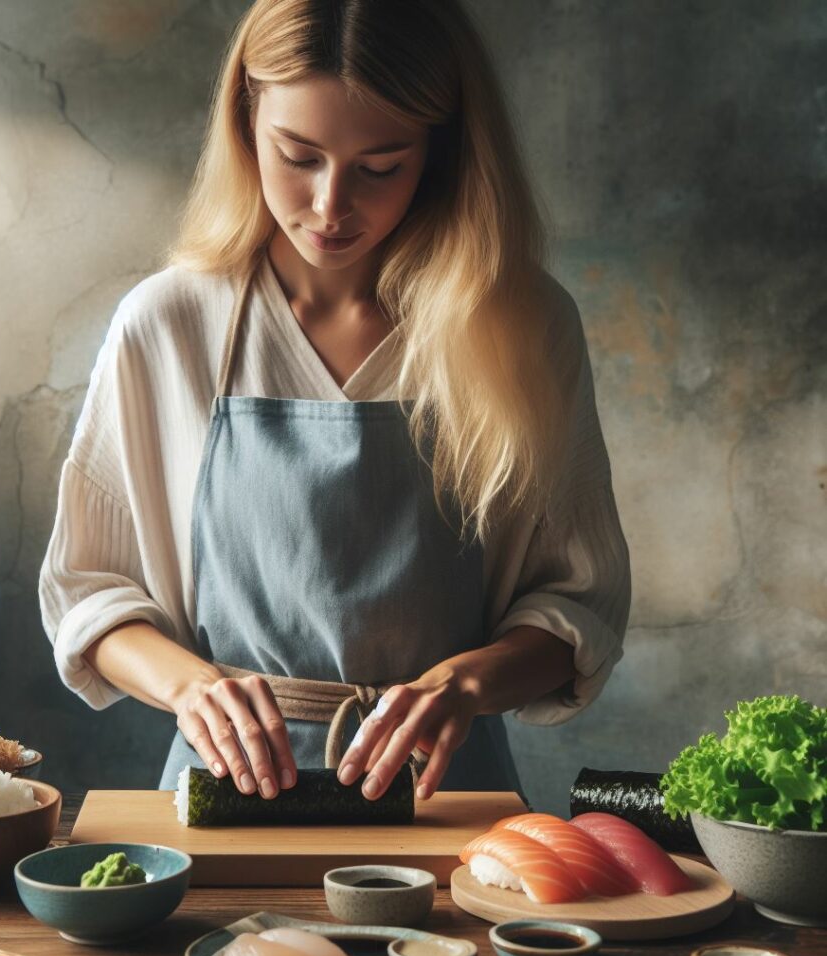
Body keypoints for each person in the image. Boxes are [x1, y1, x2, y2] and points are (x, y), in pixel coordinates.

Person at [38, 0, 631, 806]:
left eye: (381, 165)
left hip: (445, 802)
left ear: (443, 150)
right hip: (224, 798)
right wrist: (190, 688)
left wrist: (465, 682)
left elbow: (577, 602)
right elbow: (89, 590)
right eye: (299, 156)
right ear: (247, 124)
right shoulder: (171, 322)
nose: (330, 206)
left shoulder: (524, 326)